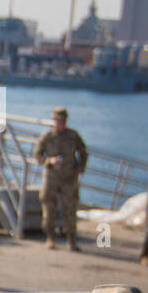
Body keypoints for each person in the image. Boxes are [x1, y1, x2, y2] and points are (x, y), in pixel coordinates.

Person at [34, 106, 87, 251]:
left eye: (63, 120)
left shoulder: (73, 136)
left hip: (69, 178)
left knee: (70, 210)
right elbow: (37, 156)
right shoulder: (46, 136)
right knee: (49, 209)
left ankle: (71, 240)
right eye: (58, 120)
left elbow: (83, 153)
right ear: (53, 120)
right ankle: (50, 238)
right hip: (51, 178)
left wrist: (79, 169)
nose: (60, 123)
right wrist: (49, 161)